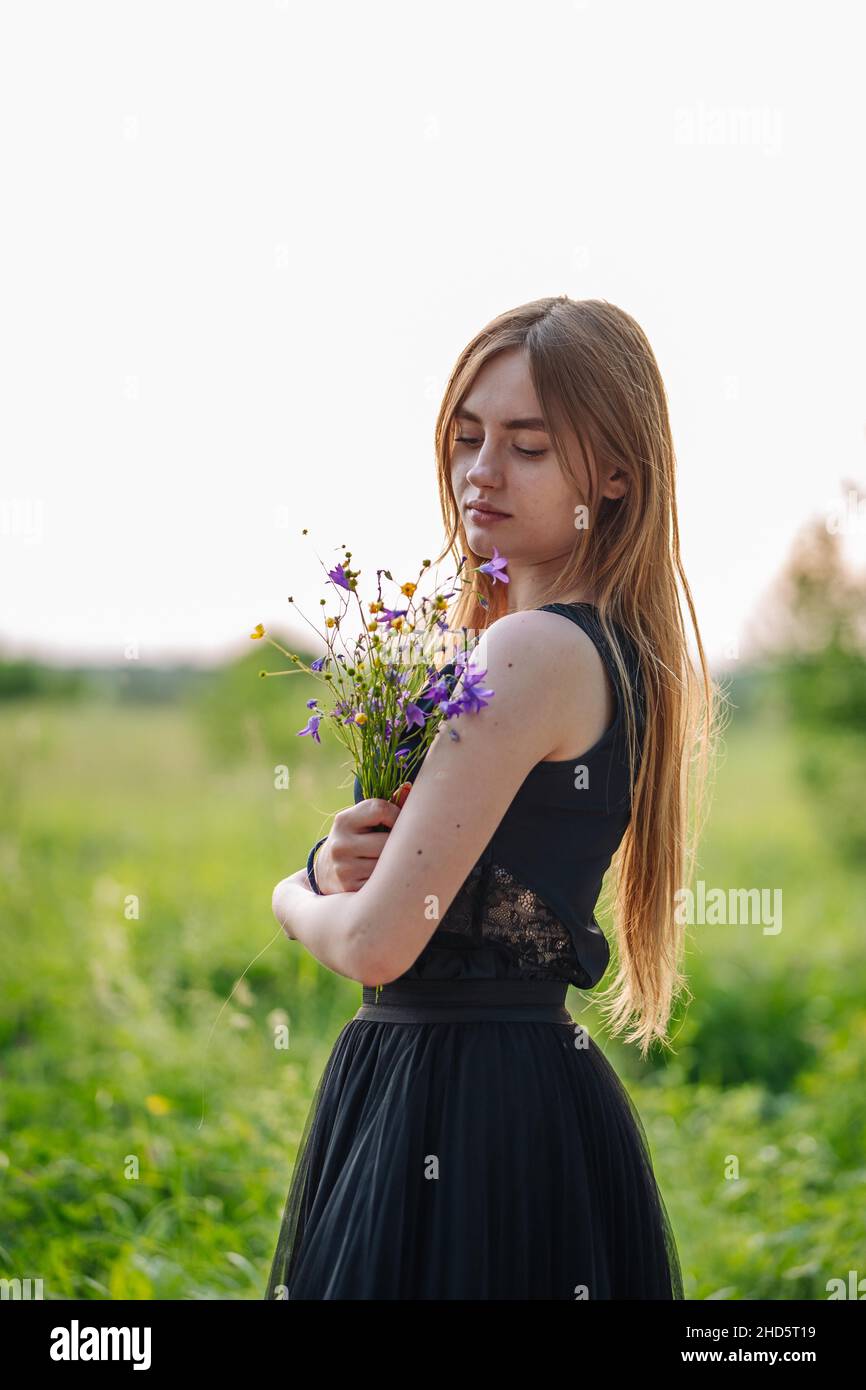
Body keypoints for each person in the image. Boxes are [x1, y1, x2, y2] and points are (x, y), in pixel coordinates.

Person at [265, 295, 722, 1300]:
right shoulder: (595, 648)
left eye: (526, 445)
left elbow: (378, 947)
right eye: (467, 437)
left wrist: (294, 892)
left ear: (611, 475)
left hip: (458, 1105)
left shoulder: (529, 650)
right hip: (506, 1096)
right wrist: (354, 856)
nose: (480, 471)